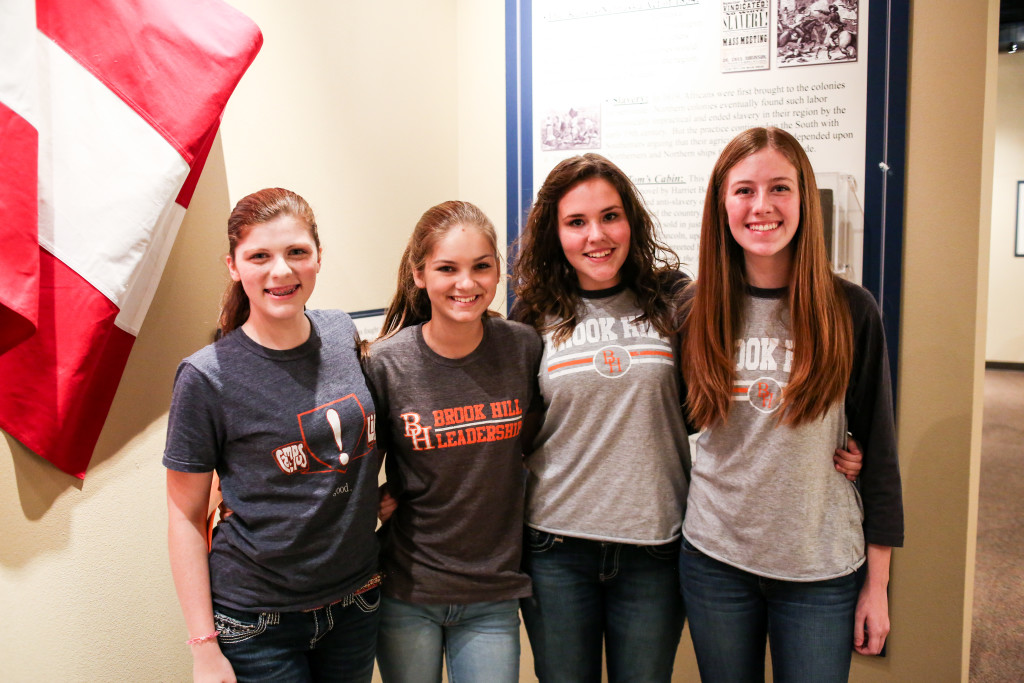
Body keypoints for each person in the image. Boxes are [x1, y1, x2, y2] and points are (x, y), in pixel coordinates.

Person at [677, 127, 904, 682]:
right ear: (721, 204)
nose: (762, 206)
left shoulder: (850, 310)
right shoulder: (694, 309)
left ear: (804, 199)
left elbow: (879, 459)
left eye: (779, 188)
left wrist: (878, 586)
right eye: (744, 190)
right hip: (715, 562)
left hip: (819, 569)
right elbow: (672, 422)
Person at [164, 188, 381, 683]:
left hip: (357, 600)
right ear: (234, 266)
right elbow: (184, 513)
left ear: (318, 258)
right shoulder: (206, 376)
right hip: (259, 622)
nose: (280, 271)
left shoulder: (341, 332)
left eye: (296, 253)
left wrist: (382, 498)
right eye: (259, 256)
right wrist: (203, 649)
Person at [511, 153, 691, 682]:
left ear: (630, 220)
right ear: (555, 232)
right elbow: (509, 427)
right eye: (576, 222)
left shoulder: (672, 299)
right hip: (555, 549)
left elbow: (722, 397)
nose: (597, 235)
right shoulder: (532, 312)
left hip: (654, 548)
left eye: (610, 216)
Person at [364, 201, 543, 683]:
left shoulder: (523, 347)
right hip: (407, 588)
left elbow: (540, 443)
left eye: (481, 267)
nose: (467, 284)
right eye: (448, 268)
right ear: (419, 275)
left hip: (493, 592)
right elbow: (353, 464)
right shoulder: (385, 363)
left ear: (498, 271)